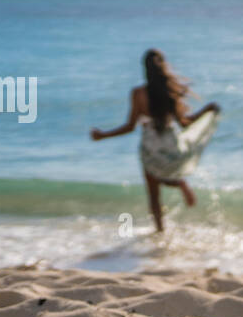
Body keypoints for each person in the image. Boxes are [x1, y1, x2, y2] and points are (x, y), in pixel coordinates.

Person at [91, 49, 221, 232]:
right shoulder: (170, 92)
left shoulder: (138, 93)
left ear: (144, 69)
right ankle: (180, 183)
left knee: (153, 193)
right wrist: (206, 110)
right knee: (166, 173)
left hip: (150, 145)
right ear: (164, 66)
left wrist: (103, 135)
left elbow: (130, 126)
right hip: (171, 144)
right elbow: (185, 123)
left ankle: (160, 231)